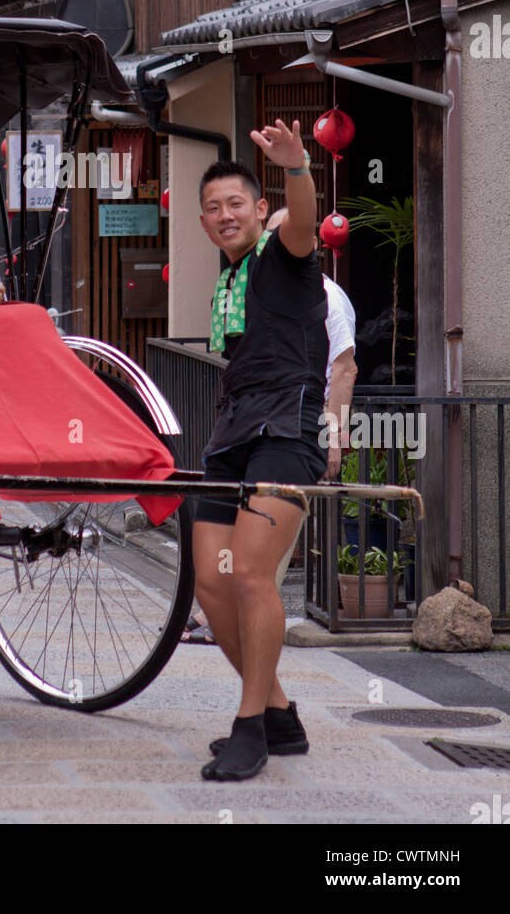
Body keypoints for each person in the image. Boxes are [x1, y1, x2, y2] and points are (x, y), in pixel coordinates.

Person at [195, 122, 328, 783]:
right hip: (231, 437)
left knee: (250, 575)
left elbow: (302, 220)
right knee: (212, 583)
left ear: (255, 208)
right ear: (204, 220)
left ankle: (250, 726)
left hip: (286, 433)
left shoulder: (284, 256)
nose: (225, 215)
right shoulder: (228, 279)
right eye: (214, 207)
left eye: (236, 204)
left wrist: (296, 167)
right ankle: (278, 710)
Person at [266, 207, 357, 480]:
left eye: (293, 235)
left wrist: (333, 438)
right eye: (273, 237)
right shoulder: (275, 293)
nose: (282, 243)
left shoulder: (326, 296)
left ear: (313, 244)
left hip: (313, 413)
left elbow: (344, 369)